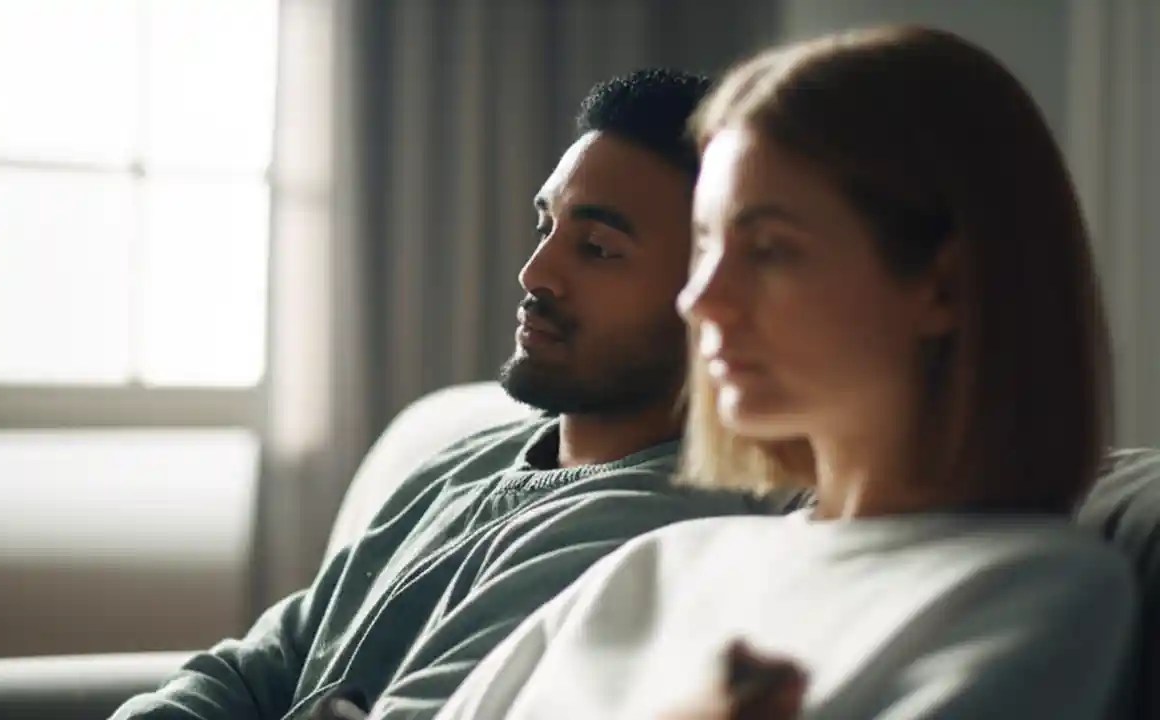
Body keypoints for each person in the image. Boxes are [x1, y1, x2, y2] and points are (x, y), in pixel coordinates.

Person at [430, 27, 1137, 720]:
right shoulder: (654, 567)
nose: (698, 298)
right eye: (706, 245)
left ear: (944, 289)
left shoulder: (1027, 592)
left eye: (767, 249)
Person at [113, 69, 788, 720]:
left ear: (711, 295)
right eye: (544, 226)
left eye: (598, 248)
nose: (534, 273)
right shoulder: (460, 460)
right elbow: (259, 664)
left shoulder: (652, 533)